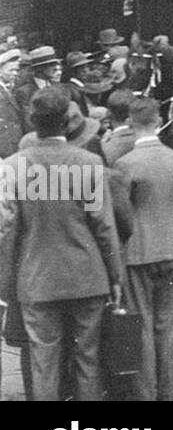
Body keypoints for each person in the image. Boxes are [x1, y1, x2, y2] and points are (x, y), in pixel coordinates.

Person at [0, 87, 125, 400]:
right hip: (88, 276)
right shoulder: (89, 162)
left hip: (36, 278)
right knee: (88, 359)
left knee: (43, 362)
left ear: (32, 120)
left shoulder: (14, 166)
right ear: (68, 122)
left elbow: (7, 229)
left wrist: (6, 281)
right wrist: (116, 277)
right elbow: (104, 226)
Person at [115, 97, 173, 401]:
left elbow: (121, 216)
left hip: (138, 252)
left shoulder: (125, 163)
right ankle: (169, 394)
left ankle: (146, 395)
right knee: (168, 325)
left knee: (141, 326)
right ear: (159, 122)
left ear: (132, 124)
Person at [0, 46, 23, 159]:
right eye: (11, 70)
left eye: (17, 70)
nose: (15, 73)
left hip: (13, 148)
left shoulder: (10, 90)